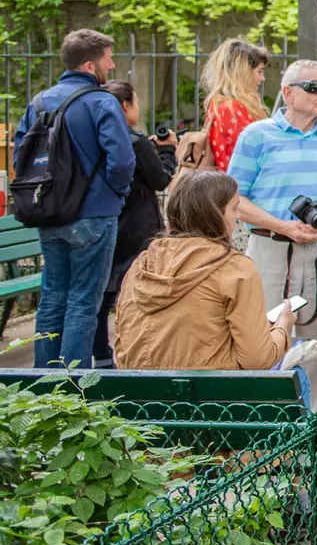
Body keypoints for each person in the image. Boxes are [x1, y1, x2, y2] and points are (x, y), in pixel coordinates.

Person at [227, 61, 317, 411]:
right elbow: (234, 199)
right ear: (287, 93)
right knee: (264, 332)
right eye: (315, 87)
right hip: (271, 250)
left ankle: (311, 419)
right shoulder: (256, 136)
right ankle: (269, 417)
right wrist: (284, 226)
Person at [14, 29, 134, 367]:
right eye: (107, 59)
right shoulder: (101, 102)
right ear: (88, 65)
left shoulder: (39, 102)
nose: (111, 65)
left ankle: (41, 385)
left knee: (52, 298)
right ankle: (73, 389)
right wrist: (114, 195)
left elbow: (19, 161)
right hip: (94, 215)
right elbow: (122, 162)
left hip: (50, 214)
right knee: (84, 301)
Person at [114, 172, 297, 372]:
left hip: (143, 398)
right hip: (213, 398)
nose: (238, 218)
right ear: (216, 214)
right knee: (298, 368)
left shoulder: (141, 265)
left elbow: (121, 347)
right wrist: (283, 326)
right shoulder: (235, 268)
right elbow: (258, 360)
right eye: (234, 209)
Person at [94, 81, 175, 368]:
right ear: (125, 106)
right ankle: (139, 353)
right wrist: (166, 153)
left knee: (102, 295)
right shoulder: (135, 141)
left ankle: (102, 356)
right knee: (140, 292)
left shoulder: (95, 136)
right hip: (139, 225)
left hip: (106, 220)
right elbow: (161, 179)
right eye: (136, 102)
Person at [200, 38, 270, 173]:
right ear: (243, 73)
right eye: (259, 71)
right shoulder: (232, 109)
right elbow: (258, 152)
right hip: (242, 187)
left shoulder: (221, 105)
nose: (262, 78)